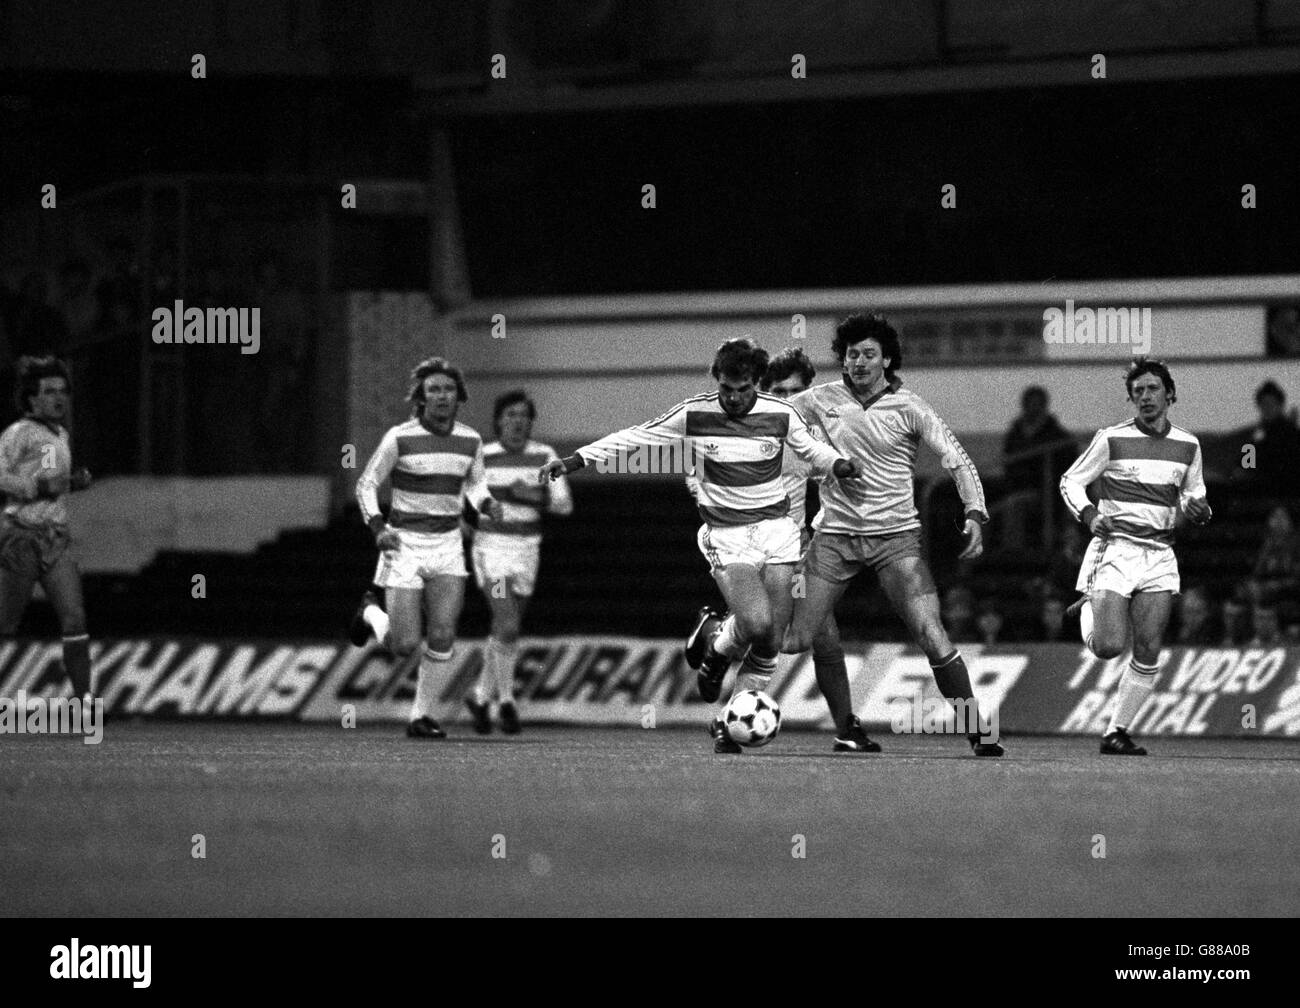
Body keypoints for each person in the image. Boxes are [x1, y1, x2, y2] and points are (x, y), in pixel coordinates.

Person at [538, 337, 862, 754]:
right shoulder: (695, 413)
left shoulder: (780, 415)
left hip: (778, 531)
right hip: (728, 536)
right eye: (726, 389)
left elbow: (811, 449)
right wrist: (574, 460)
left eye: (743, 390)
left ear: (756, 383)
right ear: (718, 381)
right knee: (758, 623)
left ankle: (728, 722)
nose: (733, 398)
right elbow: (637, 437)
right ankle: (717, 645)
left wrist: (838, 463)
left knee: (769, 641)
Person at [780, 313, 1002, 756]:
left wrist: (975, 512)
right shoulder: (816, 400)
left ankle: (976, 728)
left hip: (896, 539)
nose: (858, 362)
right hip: (834, 539)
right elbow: (767, 414)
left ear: (886, 360)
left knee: (931, 633)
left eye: (868, 354)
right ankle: (723, 634)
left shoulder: (911, 407)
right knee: (796, 640)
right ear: (842, 360)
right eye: (851, 354)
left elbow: (956, 460)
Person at [683, 347, 878, 754]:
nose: (789, 399)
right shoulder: (738, 428)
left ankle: (845, 727)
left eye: (797, 391)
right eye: (780, 390)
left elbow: (836, 484)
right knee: (770, 634)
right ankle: (725, 707)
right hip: (740, 540)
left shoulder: (808, 436)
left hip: (792, 546)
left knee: (820, 634)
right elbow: (695, 468)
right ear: (763, 391)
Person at [1060, 358, 1212, 756]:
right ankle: (1092, 607)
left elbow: (1195, 496)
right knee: (1109, 646)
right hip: (1116, 549)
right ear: (1131, 399)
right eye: (1138, 391)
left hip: (1160, 553)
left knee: (1148, 647)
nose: (1145, 396)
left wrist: (1200, 511)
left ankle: (1116, 732)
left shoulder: (1189, 445)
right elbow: (1070, 481)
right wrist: (1090, 514)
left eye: (1152, 389)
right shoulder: (1110, 439)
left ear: (1169, 394)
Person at [349, 357, 503, 739]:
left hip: (449, 544)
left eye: (448, 389)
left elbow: (476, 484)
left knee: (443, 635)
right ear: (421, 397)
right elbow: (366, 485)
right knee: (403, 645)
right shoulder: (399, 437)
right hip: (404, 545)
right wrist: (377, 527)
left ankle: (422, 716)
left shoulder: (470, 440)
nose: (441, 396)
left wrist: (486, 504)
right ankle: (370, 613)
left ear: (458, 396)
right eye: (433, 389)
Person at [465, 390, 573, 735]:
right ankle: (506, 703)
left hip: (527, 551)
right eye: (511, 414)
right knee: (508, 624)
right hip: (491, 551)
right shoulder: (482, 457)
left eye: (524, 415)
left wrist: (526, 494)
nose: (518, 421)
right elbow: (460, 500)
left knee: (503, 630)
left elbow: (564, 505)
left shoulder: (545, 455)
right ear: (498, 420)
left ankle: (481, 697)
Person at [0, 356, 94, 699]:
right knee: (6, 625)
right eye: (49, 391)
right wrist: (40, 487)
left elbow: (53, 481)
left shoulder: (61, 433)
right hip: (21, 536)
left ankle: (85, 702)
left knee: (75, 619)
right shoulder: (18, 433)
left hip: (54, 538)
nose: (58, 397)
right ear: (31, 398)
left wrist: (73, 482)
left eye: (62, 390)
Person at [1000, 386, 1077, 553]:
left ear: (1043, 406)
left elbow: (1067, 468)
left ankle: (1014, 555)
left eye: (1036, 404)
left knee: (1014, 506)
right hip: (1016, 490)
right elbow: (1008, 464)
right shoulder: (1015, 434)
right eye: (1029, 404)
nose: (1032, 408)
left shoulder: (1057, 437)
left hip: (1047, 494)